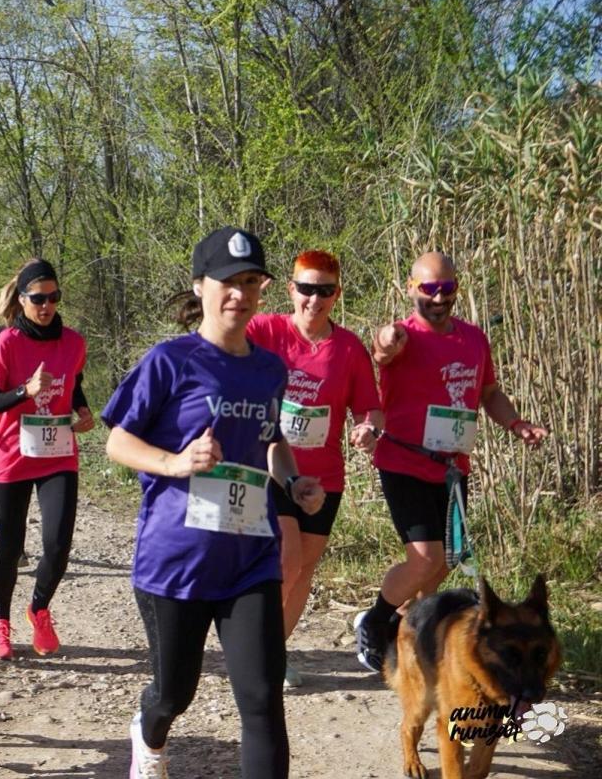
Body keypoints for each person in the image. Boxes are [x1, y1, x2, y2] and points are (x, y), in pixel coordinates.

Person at [102, 227, 325, 779]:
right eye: (228, 282)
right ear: (200, 286)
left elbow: (272, 442)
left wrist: (294, 484)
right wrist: (177, 462)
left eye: (251, 282)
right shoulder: (170, 360)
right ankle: (148, 733)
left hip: (249, 558)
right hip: (176, 562)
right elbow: (117, 442)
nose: (239, 294)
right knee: (174, 693)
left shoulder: (270, 369)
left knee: (262, 699)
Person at [353, 251, 548, 673]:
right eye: (429, 289)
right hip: (405, 460)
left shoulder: (474, 338)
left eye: (447, 289)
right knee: (425, 557)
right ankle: (374, 620)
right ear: (411, 289)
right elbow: (382, 350)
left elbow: (489, 393)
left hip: (453, 467)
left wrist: (516, 424)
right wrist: (385, 340)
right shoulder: (403, 336)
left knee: (442, 564)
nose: (439, 298)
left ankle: (409, 630)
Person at [245, 250, 382, 688]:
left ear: (336, 294)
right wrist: (246, 295)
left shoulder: (348, 348)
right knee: (285, 557)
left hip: (324, 478)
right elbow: (221, 333)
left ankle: (274, 654)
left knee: (304, 567)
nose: (314, 299)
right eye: (306, 288)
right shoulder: (265, 330)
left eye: (324, 290)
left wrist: (367, 429)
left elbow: (371, 410)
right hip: (269, 465)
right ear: (291, 290)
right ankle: (254, 648)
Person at [0, 257, 93, 661]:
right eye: (38, 298)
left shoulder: (73, 342)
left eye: (53, 297)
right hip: (13, 456)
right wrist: (24, 391)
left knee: (58, 545)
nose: (46, 305)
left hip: (58, 453)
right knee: (11, 545)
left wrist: (83, 410)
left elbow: (73, 386)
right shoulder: (6, 342)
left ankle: (39, 609)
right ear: (22, 300)